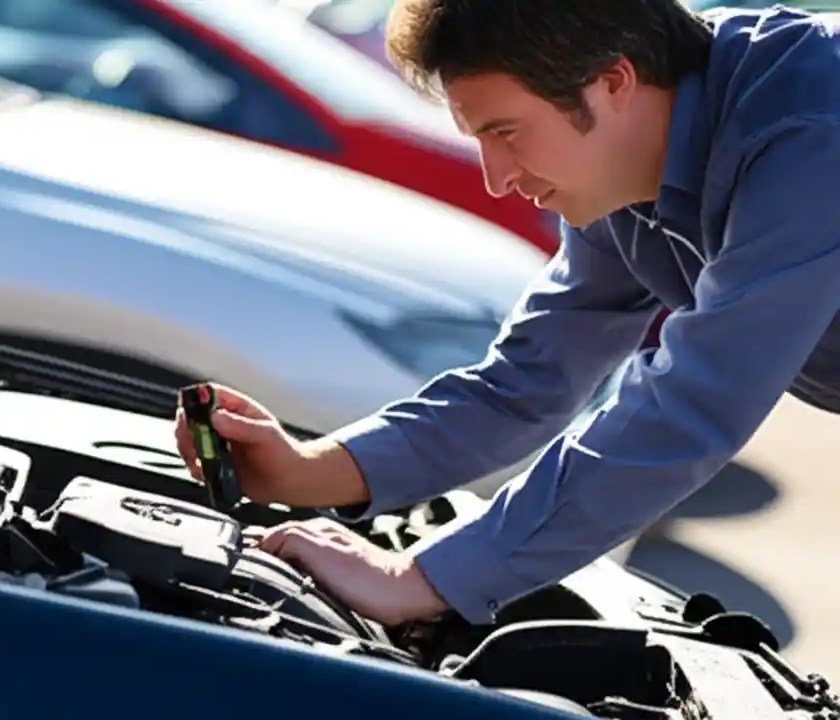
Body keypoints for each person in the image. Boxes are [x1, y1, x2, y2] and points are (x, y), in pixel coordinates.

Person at [174, 0, 840, 628]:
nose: (496, 178)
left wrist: (420, 580)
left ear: (613, 82)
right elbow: (525, 382)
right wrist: (310, 469)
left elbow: (691, 407)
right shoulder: (623, 157)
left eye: (506, 133)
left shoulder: (808, 134)